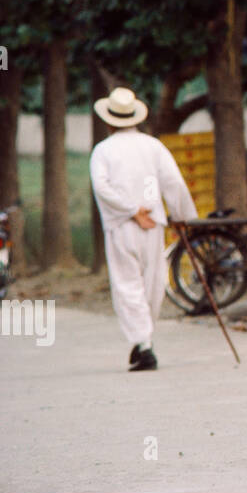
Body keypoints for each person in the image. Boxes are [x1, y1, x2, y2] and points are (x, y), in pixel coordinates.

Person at [90, 87, 198, 371]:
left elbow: (102, 188)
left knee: (128, 285)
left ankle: (143, 342)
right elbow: (173, 182)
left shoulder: (103, 151)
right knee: (151, 283)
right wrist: (182, 216)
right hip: (153, 223)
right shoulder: (152, 146)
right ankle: (144, 341)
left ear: (110, 120)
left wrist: (129, 210)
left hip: (122, 226)